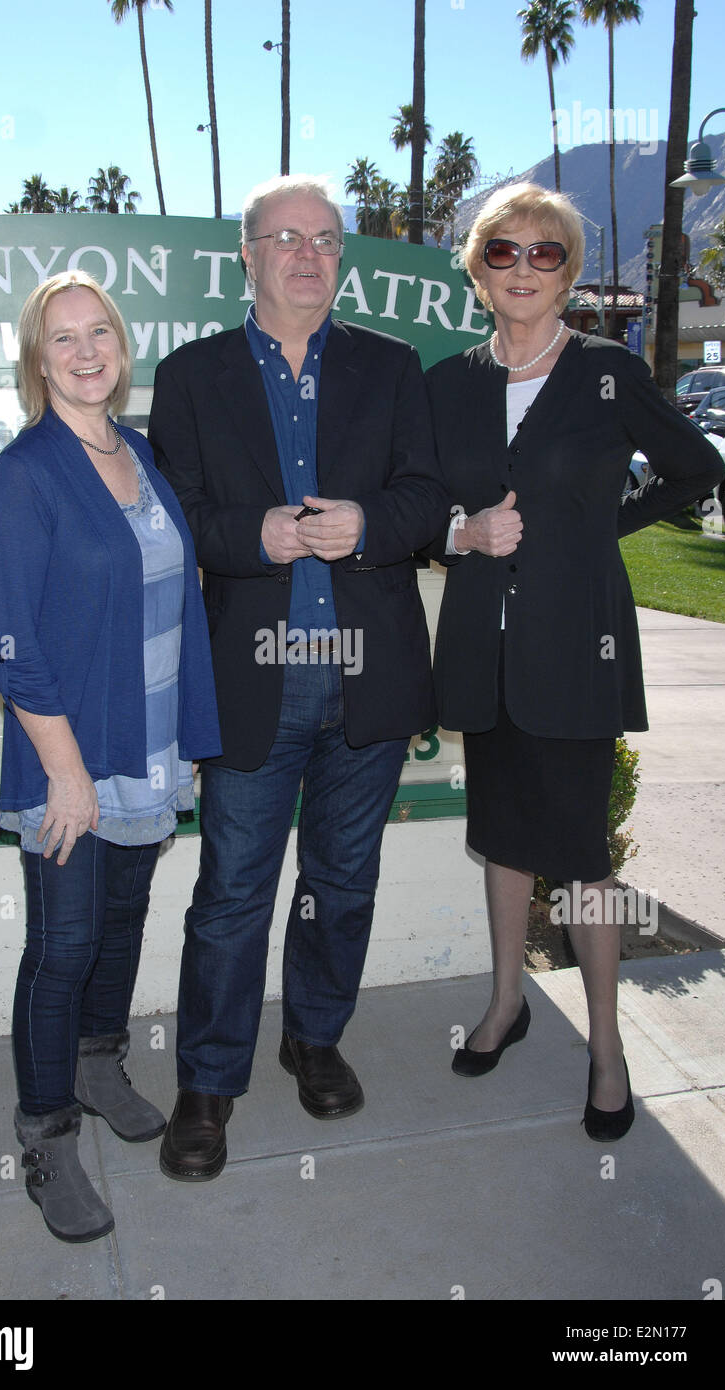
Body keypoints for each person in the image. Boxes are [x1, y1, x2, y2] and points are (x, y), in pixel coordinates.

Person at [148, 173, 447, 1180]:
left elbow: (426, 497)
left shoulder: (393, 365)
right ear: (248, 253)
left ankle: (314, 1038)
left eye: (325, 238)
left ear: (341, 257)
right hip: (252, 678)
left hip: (366, 675)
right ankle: (207, 1083)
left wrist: (368, 526)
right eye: (287, 238)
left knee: (342, 881)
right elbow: (175, 514)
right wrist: (255, 535)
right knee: (231, 891)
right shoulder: (192, 375)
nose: (308, 255)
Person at [427, 183, 724, 1140]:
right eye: (503, 251)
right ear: (477, 269)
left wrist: (602, 527)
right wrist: (461, 533)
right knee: (504, 834)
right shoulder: (449, 382)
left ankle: (605, 1047)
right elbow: (414, 507)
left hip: (578, 650)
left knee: (584, 858)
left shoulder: (606, 372)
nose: (522, 267)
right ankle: (507, 1002)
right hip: (483, 651)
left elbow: (697, 469)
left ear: (567, 271)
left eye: (544, 253)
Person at [0, 271, 220, 1240]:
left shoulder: (146, 454)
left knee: (123, 920)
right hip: (70, 761)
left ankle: (98, 1061)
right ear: (39, 362)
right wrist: (66, 770)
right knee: (65, 944)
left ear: (121, 349)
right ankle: (45, 1134)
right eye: (63, 339)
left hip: (148, 748)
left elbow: (173, 600)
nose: (86, 352)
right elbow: (10, 637)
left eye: (100, 334)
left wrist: (182, 742)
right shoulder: (29, 468)